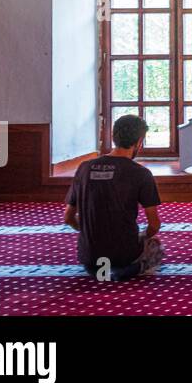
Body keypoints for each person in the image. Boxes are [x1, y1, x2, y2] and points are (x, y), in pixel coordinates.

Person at [64, 114, 163, 281]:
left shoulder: (84, 168)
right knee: (156, 245)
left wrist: (91, 233)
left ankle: (103, 271)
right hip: (124, 255)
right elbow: (154, 225)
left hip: (90, 257)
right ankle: (129, 269)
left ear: (114, 137)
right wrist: (143, 236)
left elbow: (68, 218)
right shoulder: (141, 173)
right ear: (139, 141)